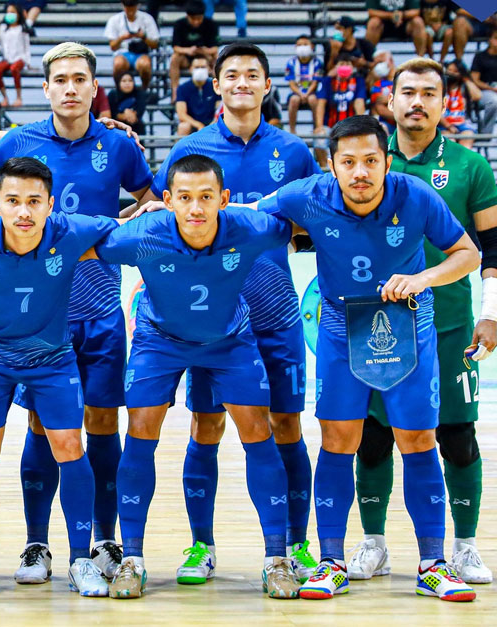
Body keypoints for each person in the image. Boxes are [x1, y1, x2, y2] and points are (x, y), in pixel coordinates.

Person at [255, 115, 480, 602]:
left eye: (371, 161)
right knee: (339, 440)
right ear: (331, 165)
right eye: (349, 162)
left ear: (387, 161)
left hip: (407, 323)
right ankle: (331, 561)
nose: (360, 172)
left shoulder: (415, 195)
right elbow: (248, 216)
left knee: (419, 439)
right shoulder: (306, 195)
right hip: (339, 326)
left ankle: (433, 563)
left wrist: (423, 278)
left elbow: (468, 254)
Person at [0, 41, 151, 584]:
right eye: (59, 79)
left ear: (94, 87)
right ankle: (37, 544)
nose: (69, 88)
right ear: (45, 88)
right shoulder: (17, 142)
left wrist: (116, 229)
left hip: (100, 307)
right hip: (38, 316)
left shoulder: (119, 144)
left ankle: (103, 540)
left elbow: (151, 201)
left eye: (79, 79)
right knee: (45, 427)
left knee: (101, 422)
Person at [130, 42, 323, 586]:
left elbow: (311, 223)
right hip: (210, 319)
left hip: (276, 309)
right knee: (206, 425)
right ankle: (201, 546)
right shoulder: (190, 148)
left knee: (285, 426)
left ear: (268, 85)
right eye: (231, 74)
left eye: (252, 74)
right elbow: (167, 220)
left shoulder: (294, 151)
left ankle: (297, 547)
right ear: (215, 85)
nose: (241, 81)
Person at [105, 154, 301, 600]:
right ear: (168, 200)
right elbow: (83, 239)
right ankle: (132, 558)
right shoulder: (144, 233)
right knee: (140, 431)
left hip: (230, 339)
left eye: (206, 197)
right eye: (185, 198)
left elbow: (297, 224)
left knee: (257, 430)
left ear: (224, 200)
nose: (196, 208)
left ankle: (275, 558)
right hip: (160, 339)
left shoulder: (250, 229)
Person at [346, 57, 497, 587]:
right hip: (370, 328)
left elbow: (491, 246)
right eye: (407, 91)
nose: (417, 101)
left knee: (457, 436)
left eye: (429, 93)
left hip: (451, 323)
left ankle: (464, 548)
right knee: (372, 437)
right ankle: (374, 545)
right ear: (390, 101)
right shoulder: (365, 162)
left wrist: (491, 312)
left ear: (443, 103)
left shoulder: (469, 167)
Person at [0, 157, 121, 599]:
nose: (24, 212)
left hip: (52, 359)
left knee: (69, 446)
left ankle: (81, 558)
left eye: (34, 202)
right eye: (13, 201)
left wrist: (160, 208)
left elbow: (126, 225)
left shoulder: (73, 231)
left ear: (50, 205)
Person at [314, 54, 368, 163]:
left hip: (351, 125)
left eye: (348, 64)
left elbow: (359, 102)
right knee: (319, 138)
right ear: (335, 67)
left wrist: (362, 125)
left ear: (353, 68)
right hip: (330, 125)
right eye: (341, 64)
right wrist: (319, 126)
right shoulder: (327, 81)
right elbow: (321, 103)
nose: (345, 66)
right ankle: (325, 169)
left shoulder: (358, 81)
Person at [170, 1, 219, 100]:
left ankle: (219, 91)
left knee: (217, 59)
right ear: (187, 16)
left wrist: (204, 51)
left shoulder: (211, 24)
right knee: (174, 58)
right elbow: (176, 47)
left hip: (205, 56)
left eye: (199, 19)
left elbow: (214, 48)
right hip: (186, 56)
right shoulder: (179, 24)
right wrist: (188, 50)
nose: (196, 22)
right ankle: (175, 92)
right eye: (193, 19)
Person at [105, 0, 158, 90]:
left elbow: (154, 45)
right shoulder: (114, 19)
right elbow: (113, 47)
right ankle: (120, 91)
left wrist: (143, 37)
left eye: (132, 9)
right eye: (127, 8)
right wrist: (122, 38)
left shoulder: (147, 18)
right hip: (122, 53)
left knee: (145, 65)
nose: (130, 12)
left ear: (138, 6)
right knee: (118, 63)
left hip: (141, 53)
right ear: (123, 6)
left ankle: (144, 90)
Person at [0, 4, 31, 108]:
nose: (10, 14)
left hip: (20, 58)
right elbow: (1, 44)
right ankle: (5, 97)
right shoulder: (3, 28)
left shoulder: (22, 29)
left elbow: (26, 47)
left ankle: (18, 97)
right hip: (7, 58)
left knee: (14, 69)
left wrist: (28, 62)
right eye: (8, 12)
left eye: (13, 12)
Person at [285, 36, 322, 135]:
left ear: (312, 46)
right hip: (297, 92)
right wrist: (301, 94)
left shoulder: (317, 62)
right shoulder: (291, 63)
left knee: (313, 100)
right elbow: (291, 83)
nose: (302, 47)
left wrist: (307, 93)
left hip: (311, 92)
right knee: (294, 100)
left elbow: (315, 82)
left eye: (305, 44)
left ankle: (316, 128)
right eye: (299, 45)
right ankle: (292, 130)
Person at [175, 56, 218, 136]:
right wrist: (198, 125)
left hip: (212, 123)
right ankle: (181, 148)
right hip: (193, 124)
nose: (200, 70)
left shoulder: (215, 86)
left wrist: (210, 126)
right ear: (191, 69)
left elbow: (219, 110)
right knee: (183, 126)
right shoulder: (183, 88)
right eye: (197, 67)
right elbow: (181, 114)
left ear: (209, 69)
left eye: (203, 67)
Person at [442, 59, 478, 149]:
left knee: (467, 139)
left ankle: (463, 163)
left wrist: (465, 79)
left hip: (463, 124)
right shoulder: (440, 88)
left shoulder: (464, 88)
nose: (451, 74)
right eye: (449, 70)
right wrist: (448, 126)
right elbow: (436, 112)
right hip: (444, 124)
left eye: (455, 71)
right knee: (449, 143)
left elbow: (477, 96)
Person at [470, 30, 497, 135]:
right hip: (484, 91)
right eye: (495, 38)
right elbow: (475, 80)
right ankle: (486, 134)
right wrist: (491, 88)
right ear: (490, 40)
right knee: (494, 101)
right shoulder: (481, 57)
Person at [367, 54, 395, 130]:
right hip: (386, 124)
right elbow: (380, 109)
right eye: (377, 63)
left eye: (381, 62)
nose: (380, 65)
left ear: (391, 61)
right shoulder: (378, 84)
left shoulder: (403, 80)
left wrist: (390, 100)